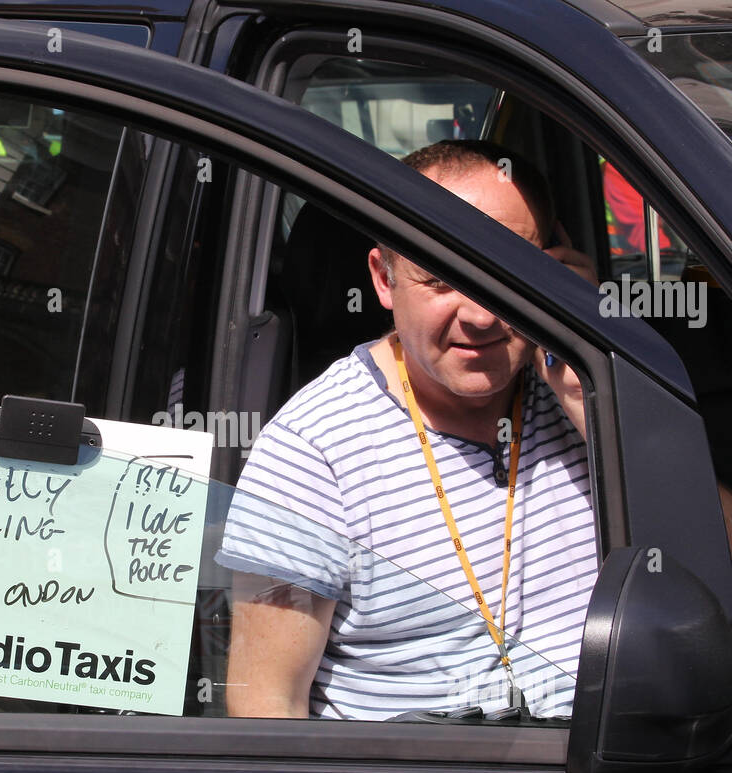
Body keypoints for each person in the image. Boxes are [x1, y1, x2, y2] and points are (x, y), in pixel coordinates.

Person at [216, 140, 599, 720]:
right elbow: (267, 706)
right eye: (442, 280)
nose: (480, 314)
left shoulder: (586, 396)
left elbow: (725, 565)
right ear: (385, 279)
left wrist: (594, 399)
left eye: (511, 275)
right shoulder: (314, 450)